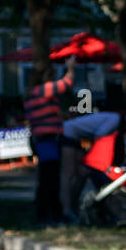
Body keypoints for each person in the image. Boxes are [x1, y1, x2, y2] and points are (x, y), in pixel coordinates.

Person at [23, 57, 75, 225]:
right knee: (50, 178)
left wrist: (61, 116)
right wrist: (71, 67)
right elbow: (66, 83)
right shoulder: (43, 90)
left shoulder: (31, 95)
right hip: (49, 140)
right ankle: (50, 213)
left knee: (47, 177)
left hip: (41, 139)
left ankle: (46, 212)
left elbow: (46, 116)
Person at [60, 110, 121, 221]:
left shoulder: (112, 116)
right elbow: (99, 135)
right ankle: (66, 210)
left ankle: (73, 206)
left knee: (82, 172)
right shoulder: (115, 119)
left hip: (75, 136)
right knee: (68, 173)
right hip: (68, 134)